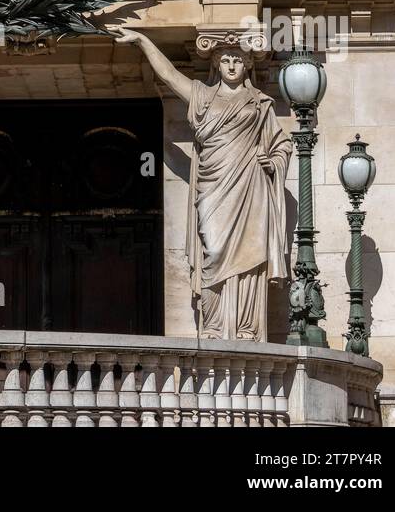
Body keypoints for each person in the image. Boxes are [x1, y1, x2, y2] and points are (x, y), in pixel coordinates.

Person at [113, 27, 292, 342]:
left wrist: (273, 161)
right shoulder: (202, 96)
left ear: (248, 64)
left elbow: (282, 144)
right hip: (212, 189)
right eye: (226, 60)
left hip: (249, 186)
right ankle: (212, 326)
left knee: (250, 258)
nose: (232, 66)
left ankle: (247, 329)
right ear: (217, 65)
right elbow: (168, 75)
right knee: (212, 252)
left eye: (238, 60)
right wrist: (143, 40)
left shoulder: (260, 103)